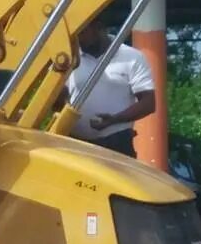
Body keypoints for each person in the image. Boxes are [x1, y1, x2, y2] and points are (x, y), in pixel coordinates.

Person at [66, 21, 155, 158]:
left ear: (100, 27)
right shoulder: (69, 58)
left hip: (116, 143)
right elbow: (57, 98)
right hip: (76, 144)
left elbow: (148, 103)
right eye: (75, 35)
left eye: (83, 33)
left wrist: (115, 119)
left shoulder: (131, 57)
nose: (79, 39)